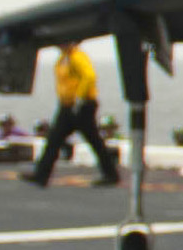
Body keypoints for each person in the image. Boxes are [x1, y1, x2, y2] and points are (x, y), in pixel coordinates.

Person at [27, 43, 121, 187]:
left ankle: (111, 174)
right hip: (67, 105)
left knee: (92, 140)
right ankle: (41, 175)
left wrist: (79, 97)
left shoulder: (77, 57)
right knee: (54, 139)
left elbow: (89, 76)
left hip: (81, 105)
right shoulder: (64, 58)